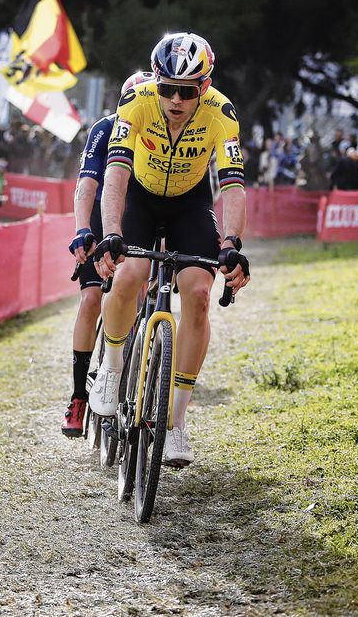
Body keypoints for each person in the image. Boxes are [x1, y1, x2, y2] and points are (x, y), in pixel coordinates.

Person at [91, 33, 251, 466]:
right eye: (168, 89)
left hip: (189, 202)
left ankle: (176, 423)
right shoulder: (136, 102)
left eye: (188, 90)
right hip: (140, 198)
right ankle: (112, 364)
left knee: (199, 295)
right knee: (130, 274)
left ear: (205, 85)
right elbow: (116, 173)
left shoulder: (222, 113)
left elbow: (233, 185)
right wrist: (110, 232)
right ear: (155, 82)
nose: (177, 100)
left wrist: (233, 243)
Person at [62, 70, 153, 437]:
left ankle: (142, 390)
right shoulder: (105, 128)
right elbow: (86, 184)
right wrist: (82, 229)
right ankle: (79, 395)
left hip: (140, 221)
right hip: (104, 219)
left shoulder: (162, 134)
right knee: (90, 301)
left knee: (143, 297)